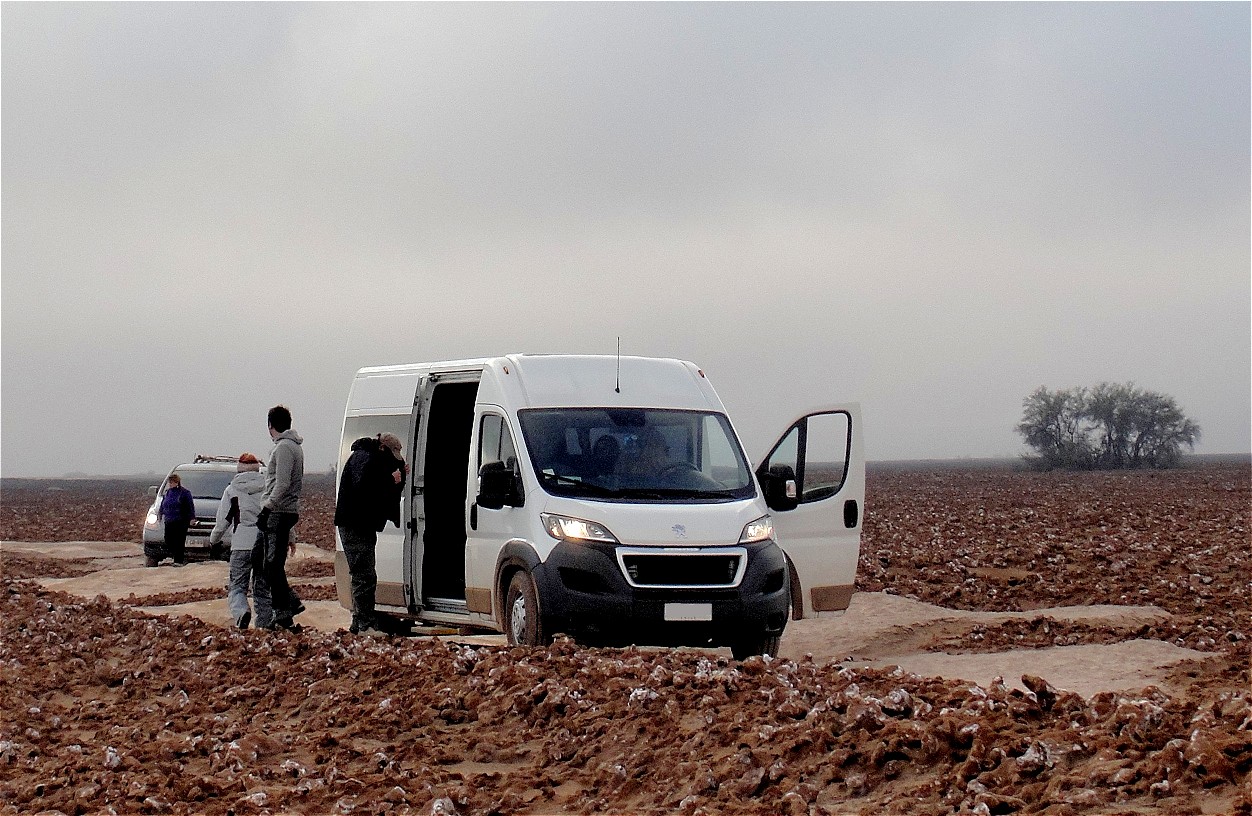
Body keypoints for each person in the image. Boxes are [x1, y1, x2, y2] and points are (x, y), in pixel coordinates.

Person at [334, 433, 406, 635]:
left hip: (360, 525)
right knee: (364, 576)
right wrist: (390, 481)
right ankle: (365, 624)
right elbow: (365, 490)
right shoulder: (365, 458)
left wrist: (397, 479)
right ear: (383, 448)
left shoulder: (370, 457)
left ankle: (359, 622)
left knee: (363, 575)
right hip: (355, 525)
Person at [253, 405, 305, 631]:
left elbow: (282, 483)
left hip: (278, 512)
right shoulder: (292, 447)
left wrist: (267, 508)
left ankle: (286, 607)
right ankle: (284, 608)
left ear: (270, 426)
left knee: (272, 564)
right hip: (282, 511)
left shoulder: (284, 448)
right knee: (262, 560)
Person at [208, 453, 265, 629]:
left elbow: (223, 521)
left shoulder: (232, 490)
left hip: (240, 545)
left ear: (239, 469)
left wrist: (213, 541)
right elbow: (277, 511)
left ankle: (241, 613)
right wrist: (290, 537)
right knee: (262, 586)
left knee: (237, 587)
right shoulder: (267, 487)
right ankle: (265, 623)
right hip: (263, 543)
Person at [155, 474, 195, 567]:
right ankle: (173, 556)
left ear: (177, 482)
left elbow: (190, 506)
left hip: (181, 521)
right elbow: (163, 504)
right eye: (170, 482)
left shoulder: (185, 493)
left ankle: (178, 561)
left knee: (179, 541)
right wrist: (160, 514)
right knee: (168, 539)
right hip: (169, 520)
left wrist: (192, 518)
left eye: (172, 482)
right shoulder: (168, 492)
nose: (170, 484)